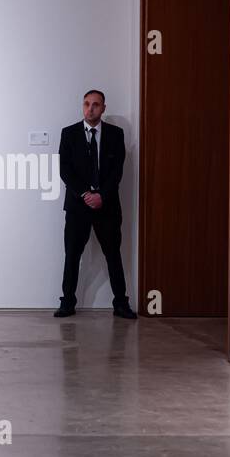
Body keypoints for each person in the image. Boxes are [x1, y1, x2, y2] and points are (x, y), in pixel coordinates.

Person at [55, 90, 137, 319]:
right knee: (72, 255)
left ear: (103, 108)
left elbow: (116, 171)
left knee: (113, 255)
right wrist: (84, 194)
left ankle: (121, 303)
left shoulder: (115, 134)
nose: (90, 109)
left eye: (95, 105)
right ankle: (67, 302)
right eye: (86, 104)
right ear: (82, 106)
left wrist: (101, 195)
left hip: (107, 206)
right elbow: (65, 170)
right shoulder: (69, 133)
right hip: (77, 207)